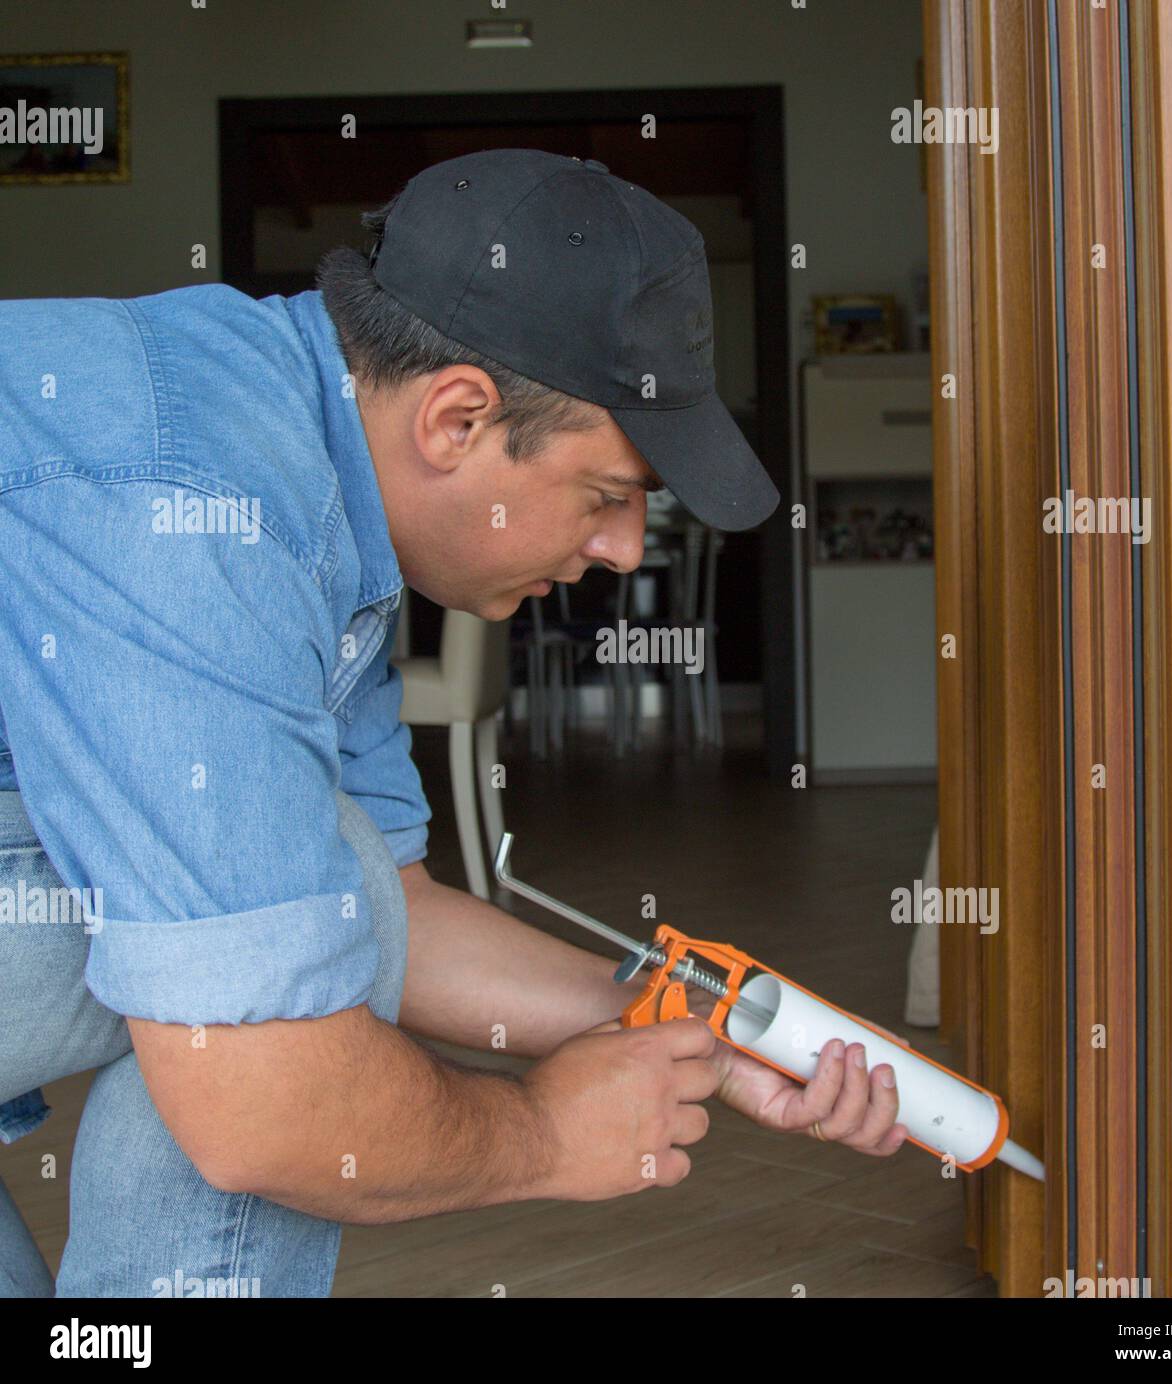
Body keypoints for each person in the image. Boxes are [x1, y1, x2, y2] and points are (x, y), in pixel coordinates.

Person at [0, 148, 906, 1298]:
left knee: (324, 884)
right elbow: (268, 1099)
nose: (624, 547)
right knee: (310, 911)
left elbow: (404, 913)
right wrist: (545, 1134)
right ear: (458, 418)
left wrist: (693, 1026)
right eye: (607, 495)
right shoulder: (194, 509)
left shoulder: (309, 465)